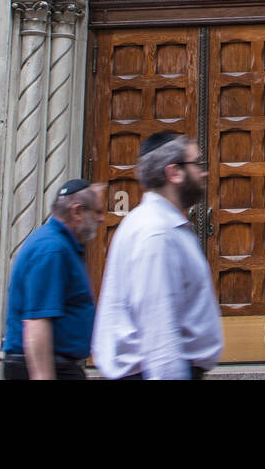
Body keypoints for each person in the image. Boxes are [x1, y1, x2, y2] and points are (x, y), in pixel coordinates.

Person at [92, 132, 223, 380]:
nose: (204, 172)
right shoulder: (156, 233)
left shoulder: (161, 224)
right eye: (197, 164)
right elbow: (159, 328)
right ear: (174, 172)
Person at [2, 178, 105, 380]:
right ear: (77, 212)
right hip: (47, 367)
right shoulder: (52, 249)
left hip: (59, 365)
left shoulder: (61, 245)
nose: (102, 219)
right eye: (97, 211)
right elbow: (37, 320)